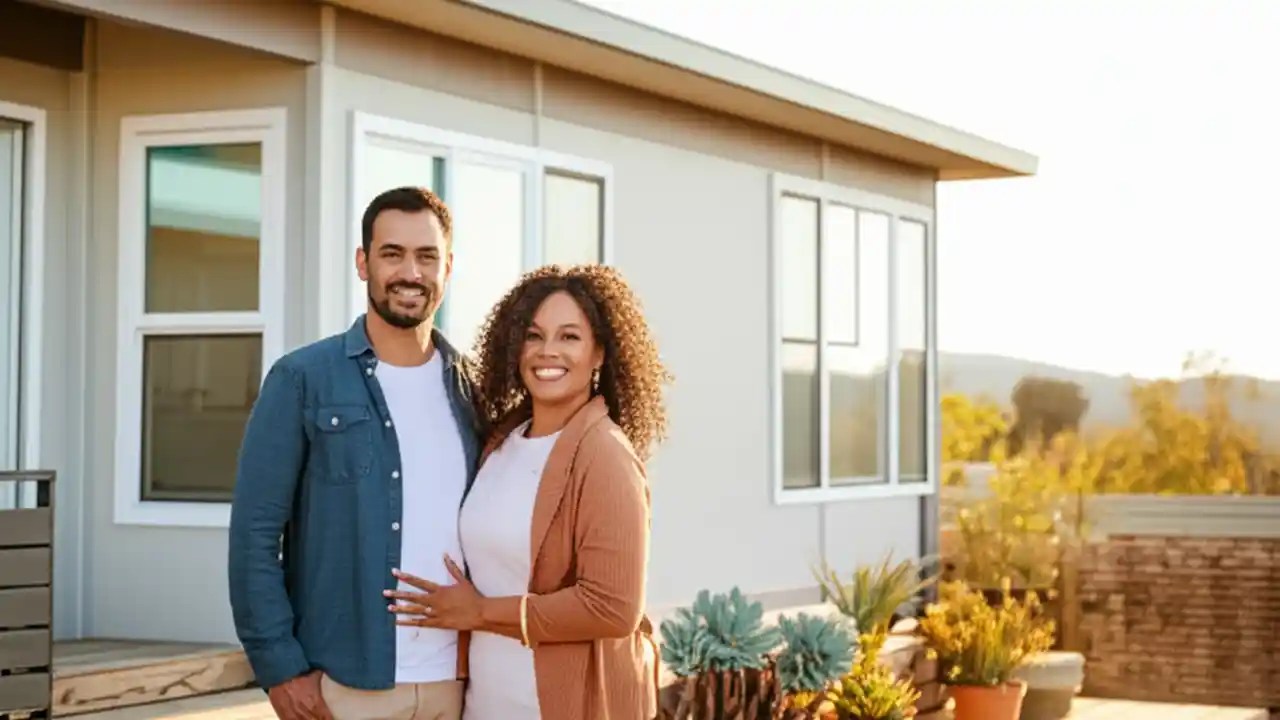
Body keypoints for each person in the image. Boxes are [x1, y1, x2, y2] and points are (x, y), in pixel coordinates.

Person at [228, 186, 481, 720]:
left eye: (426, 256)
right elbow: (254, 536)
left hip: (458, 684)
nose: (410, 272)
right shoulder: (302, 379)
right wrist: (280, 668)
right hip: (343, 685)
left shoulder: (473, 390)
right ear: (363, 263)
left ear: (448, 267)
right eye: (392, 254)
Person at [387, 264, 672, 720]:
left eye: (569, 337)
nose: (547, 351)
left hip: (556, 706)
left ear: (600, 353)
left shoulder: (604, 455)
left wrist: (481, 612)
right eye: (534, 335)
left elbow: (613, 607)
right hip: (487, 702)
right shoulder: (503, 440)